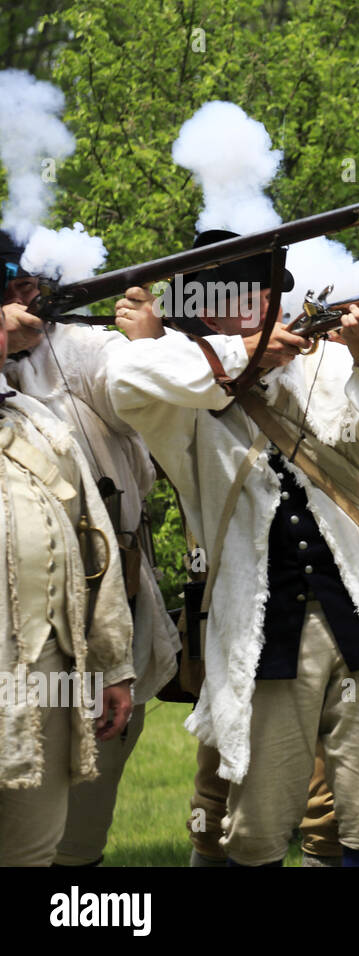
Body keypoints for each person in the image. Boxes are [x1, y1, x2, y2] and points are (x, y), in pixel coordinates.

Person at [107, 234, 359, 866]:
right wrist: (238, 353)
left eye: (269, 289)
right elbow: (124, 375)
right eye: (251, 291)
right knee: (256, 829)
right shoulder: (182, 385)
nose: (269, 301)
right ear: (210, 311)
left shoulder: (325, 364)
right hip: (263, 630)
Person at [2, 229, 181, 866]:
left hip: (105, 598)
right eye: (9, 281)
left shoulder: (77, 348)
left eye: (32, 280)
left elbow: (141, 385)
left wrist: (150, 347)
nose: (26, 293)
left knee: (80, 816)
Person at [0, 292, 135, 866]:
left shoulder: (38, 424)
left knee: (33, 850)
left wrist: (112, 665)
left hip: (47, 676)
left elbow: (94, 550)